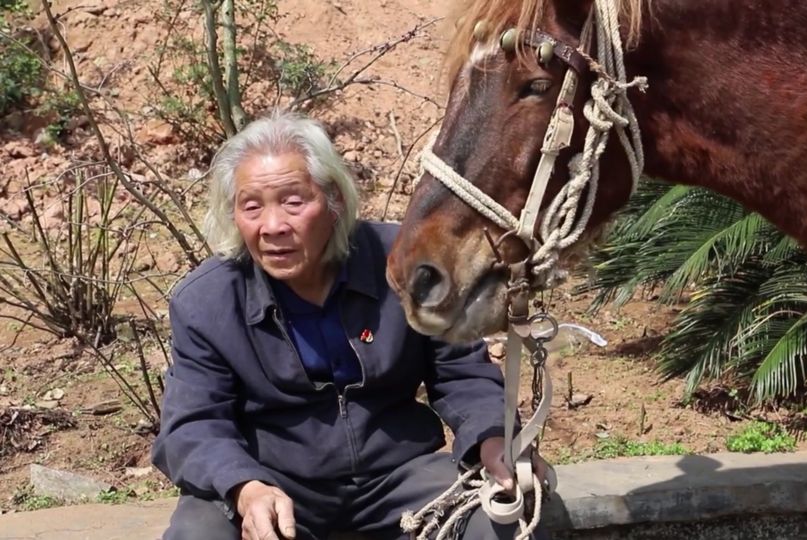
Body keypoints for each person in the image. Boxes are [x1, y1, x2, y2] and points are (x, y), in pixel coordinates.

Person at [151, 110, 549, 540]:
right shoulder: (207, 301)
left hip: (400, 477)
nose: (273, 226)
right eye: (251, 207)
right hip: (274, 482)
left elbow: (462, 373)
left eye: (293, 201)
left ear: (334, 201)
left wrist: (492, 438)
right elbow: (193, 424)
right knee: (199, 533)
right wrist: (243, 487)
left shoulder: (405, 264)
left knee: (506, 521)